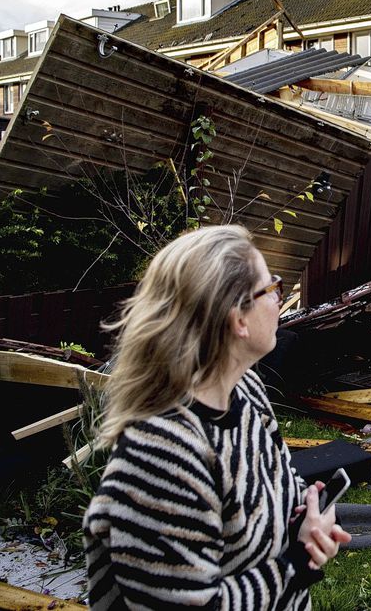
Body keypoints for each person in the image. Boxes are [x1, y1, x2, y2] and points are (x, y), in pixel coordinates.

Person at [83, 224, 350, 609]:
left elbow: (279, 483)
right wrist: (298, 564)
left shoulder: (246, 390)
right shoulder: (162, 458)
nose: (279, 298)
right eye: (271, 288)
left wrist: (306, 518)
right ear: (237, 319)